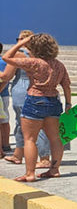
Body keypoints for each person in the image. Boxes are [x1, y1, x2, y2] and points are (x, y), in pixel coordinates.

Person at [2, 33, 70, 182]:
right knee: (55, 138)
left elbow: (6, 57)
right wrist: (68, 104)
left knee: (30, 139)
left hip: (35, 100)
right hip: (53, 101)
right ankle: (54, 169)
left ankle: (30, 173)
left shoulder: (34, 62)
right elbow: (66, 85)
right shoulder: (59, 65)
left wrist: (21, 43)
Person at [0, 30, 51, 166]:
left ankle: (38, 157)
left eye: (18, 39)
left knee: (22, 122)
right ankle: (30, 155)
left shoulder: (19, 54)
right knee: (40, 124)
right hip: (38, 88)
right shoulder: (41, 55)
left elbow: (6, 76)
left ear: (23, 40)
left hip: (21, 89)